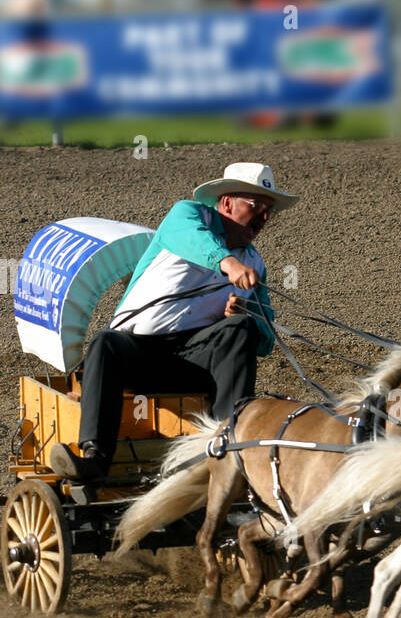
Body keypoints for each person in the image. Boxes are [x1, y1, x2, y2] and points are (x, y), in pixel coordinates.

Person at [48, 162, 298, 480]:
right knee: (104, 342)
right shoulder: (188, 216)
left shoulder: (254, 265)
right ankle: (95, 459)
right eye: (257, 207)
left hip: (193, 363)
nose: (264, 218)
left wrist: (246, 313)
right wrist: (227, 263)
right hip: (137, 355)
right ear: (226, 203)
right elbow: (196, 241)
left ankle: (225, 450)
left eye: (269, 211)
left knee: (241, 329)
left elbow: (264, 342)